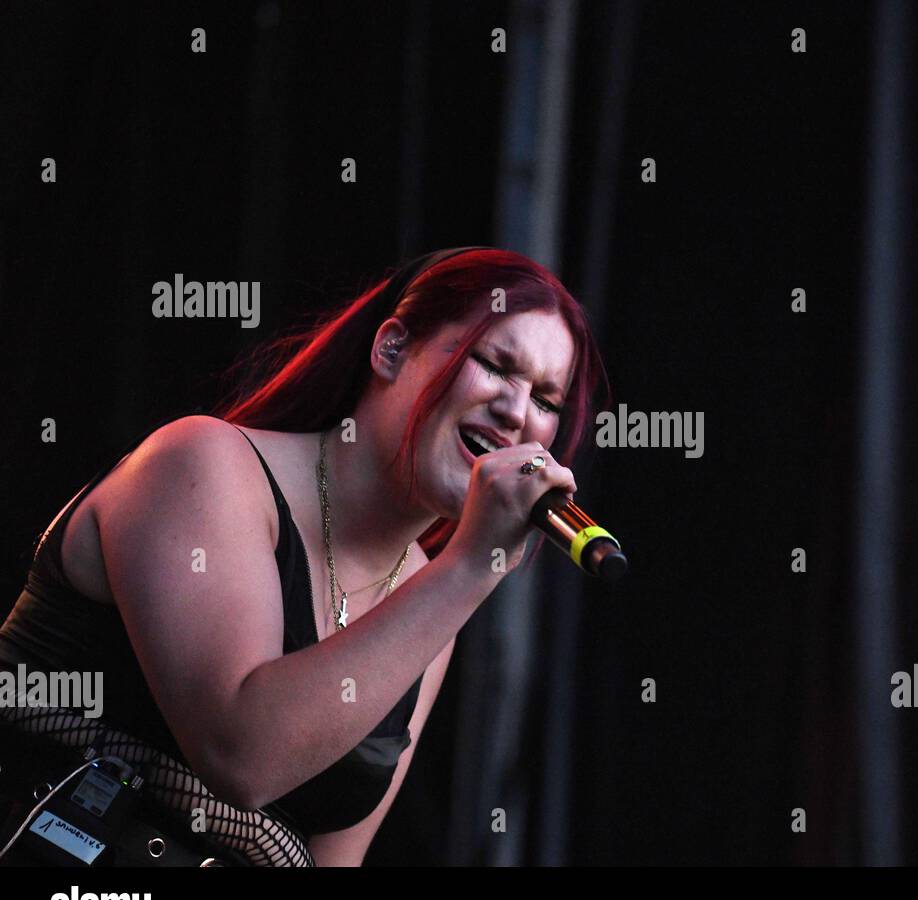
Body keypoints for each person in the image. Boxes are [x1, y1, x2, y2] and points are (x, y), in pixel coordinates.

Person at [0, 247, 611, 866]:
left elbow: (332, 862)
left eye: (546, 400)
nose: (516, 412)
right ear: (391, 349)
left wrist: (458, 574)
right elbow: (243, 755)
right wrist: (473, 565)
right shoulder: (201, 463)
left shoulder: (428, 596)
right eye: (495, 365)